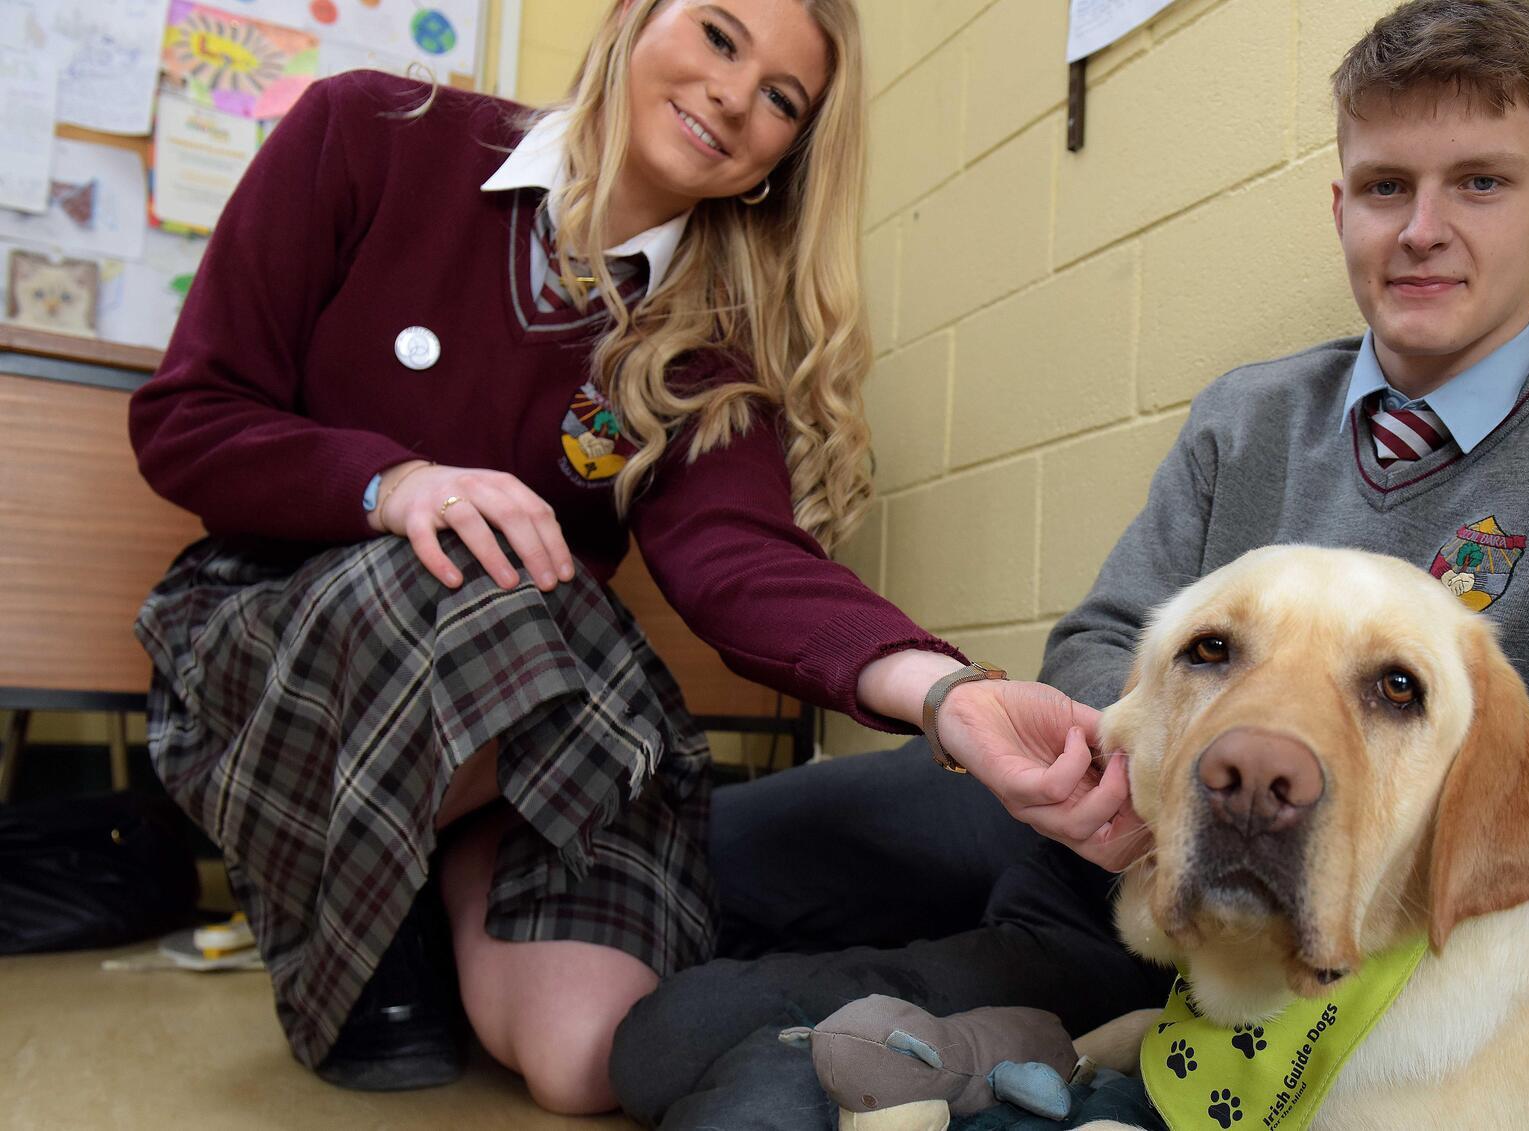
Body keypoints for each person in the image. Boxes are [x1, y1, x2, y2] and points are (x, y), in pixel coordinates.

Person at [609, 1, 1529, 1128]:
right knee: (705, 839)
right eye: (1385, 186)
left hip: (1271, 933)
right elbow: (1099, 638)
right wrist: (1165, 727)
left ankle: (806, 1017)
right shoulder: (1247, 414)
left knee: (689, 1058)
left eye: (1481, 185)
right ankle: (484, 929)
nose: (1423, 228)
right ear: (1340, 203)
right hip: (1110, 826)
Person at [126, 0, 1130, 1115]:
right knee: (461, 559)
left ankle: (420, 872)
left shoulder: (706, 350)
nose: (733, 95)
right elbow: (190, 418)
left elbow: (740, 561)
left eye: (782, 99)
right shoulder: (369, 130)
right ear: (635, 19)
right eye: (716, 35)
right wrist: (397, 484)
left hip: (514, 712)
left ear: (780, 161)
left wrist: (947, 696)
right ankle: (375, 899)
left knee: (581, 1061)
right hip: (279, 647)